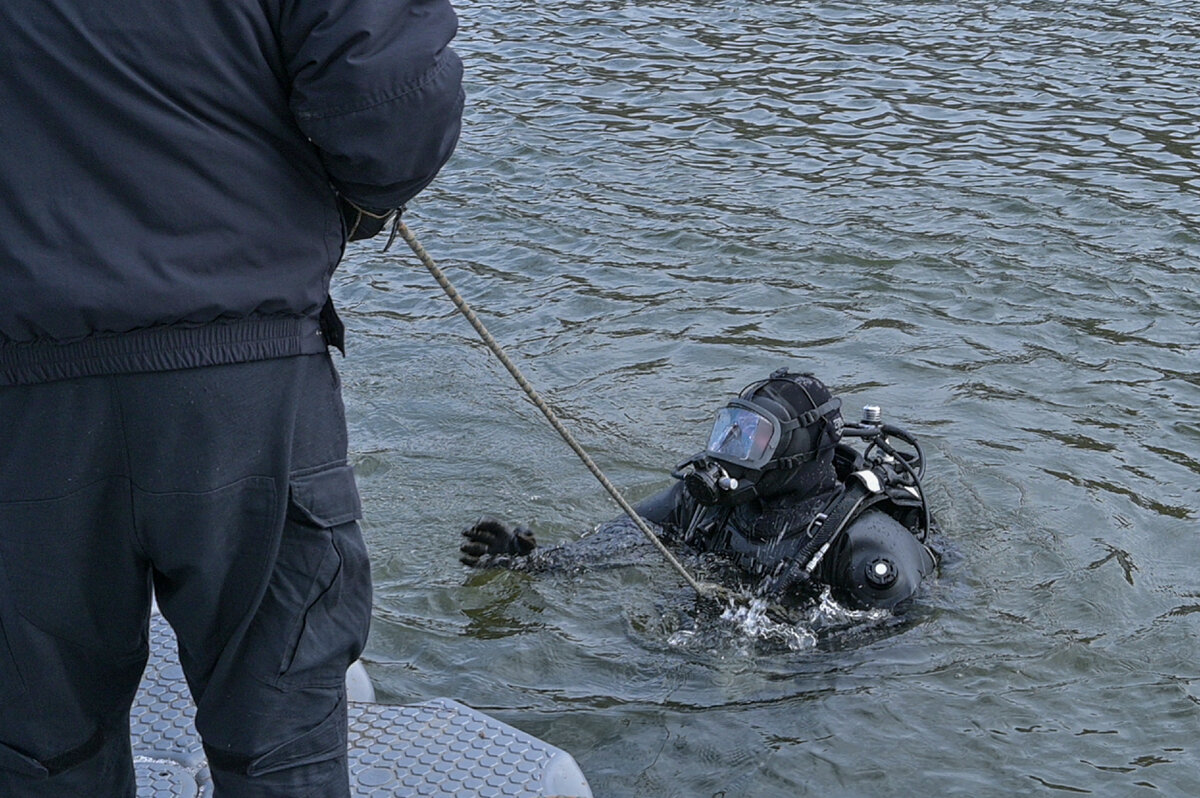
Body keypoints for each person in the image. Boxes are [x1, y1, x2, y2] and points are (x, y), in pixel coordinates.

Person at [0, 0, 463, 795]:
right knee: (283, 743)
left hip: (27, 396)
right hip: (245, 386)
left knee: (41, 751)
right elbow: (393, 103)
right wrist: (353, 205)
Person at [461, 369, 938, 611]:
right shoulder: (703, 501)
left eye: (756, 439)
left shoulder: (864, 547)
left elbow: (876, 658)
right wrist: (532, 563)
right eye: (733, 431)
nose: (733, 452)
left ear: (797, 452)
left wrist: (775, 636)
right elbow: (623, 540)